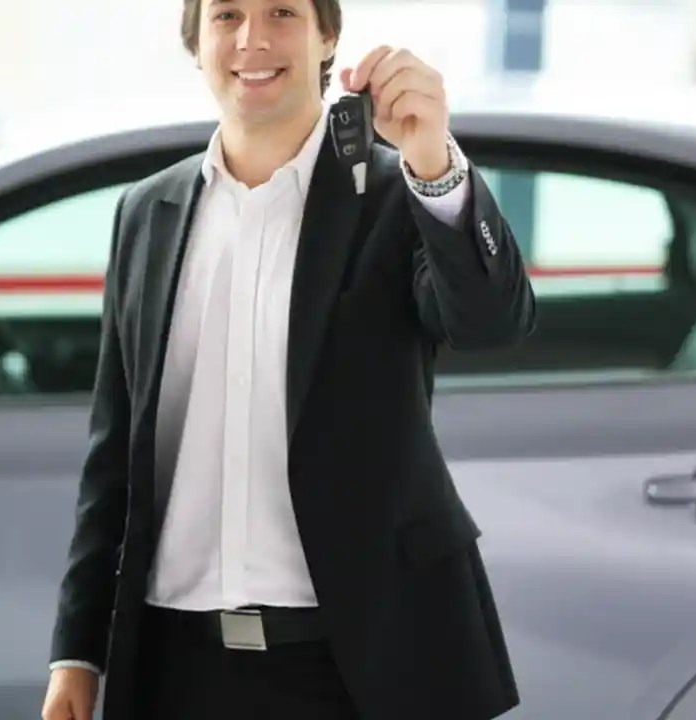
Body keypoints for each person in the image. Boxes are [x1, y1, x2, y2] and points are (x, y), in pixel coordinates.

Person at [42, 0, 535, 718]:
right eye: (227, 15)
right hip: (179, 670)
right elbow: (113, 453)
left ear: (326, 35)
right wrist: (77, 652)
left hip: (362, 667)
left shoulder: (396, 196)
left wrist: (434, 161)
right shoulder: (147, 213)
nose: (252, 39)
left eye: (281, 11)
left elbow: (493, 323)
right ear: (196, 41)